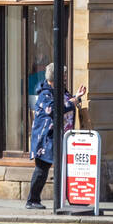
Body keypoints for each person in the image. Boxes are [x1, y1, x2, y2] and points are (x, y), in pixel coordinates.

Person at [25, 64, 86, 209]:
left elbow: (67, 103)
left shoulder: (60, 91)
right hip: (46, 138)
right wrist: (73, 101)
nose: (65, 79)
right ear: (55, 78)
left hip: (63, 137)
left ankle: (73, 198)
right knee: (42, 169)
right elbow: (55, 110)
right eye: (63, 77)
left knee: (67, 168)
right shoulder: (45, 94)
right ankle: (32, 200)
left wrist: (76, 97)